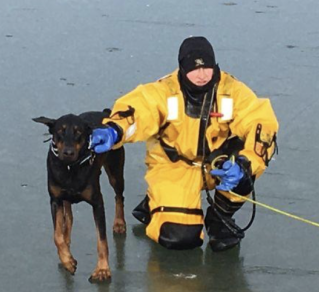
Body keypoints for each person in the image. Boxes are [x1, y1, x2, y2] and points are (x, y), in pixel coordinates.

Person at [89, 36, 278, 252]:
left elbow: (260, 122)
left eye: (206, 67)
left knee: (250, 164)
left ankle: (220, 218)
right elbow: (140, 110)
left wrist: (244, 164)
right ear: (181, 68)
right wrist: (115, 130)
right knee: (179, 237)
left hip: (219, 167)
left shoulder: (233, 91)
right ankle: (156, 200)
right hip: (174, 167)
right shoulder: (164, 92)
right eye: (194, 68)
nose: (201, 74)